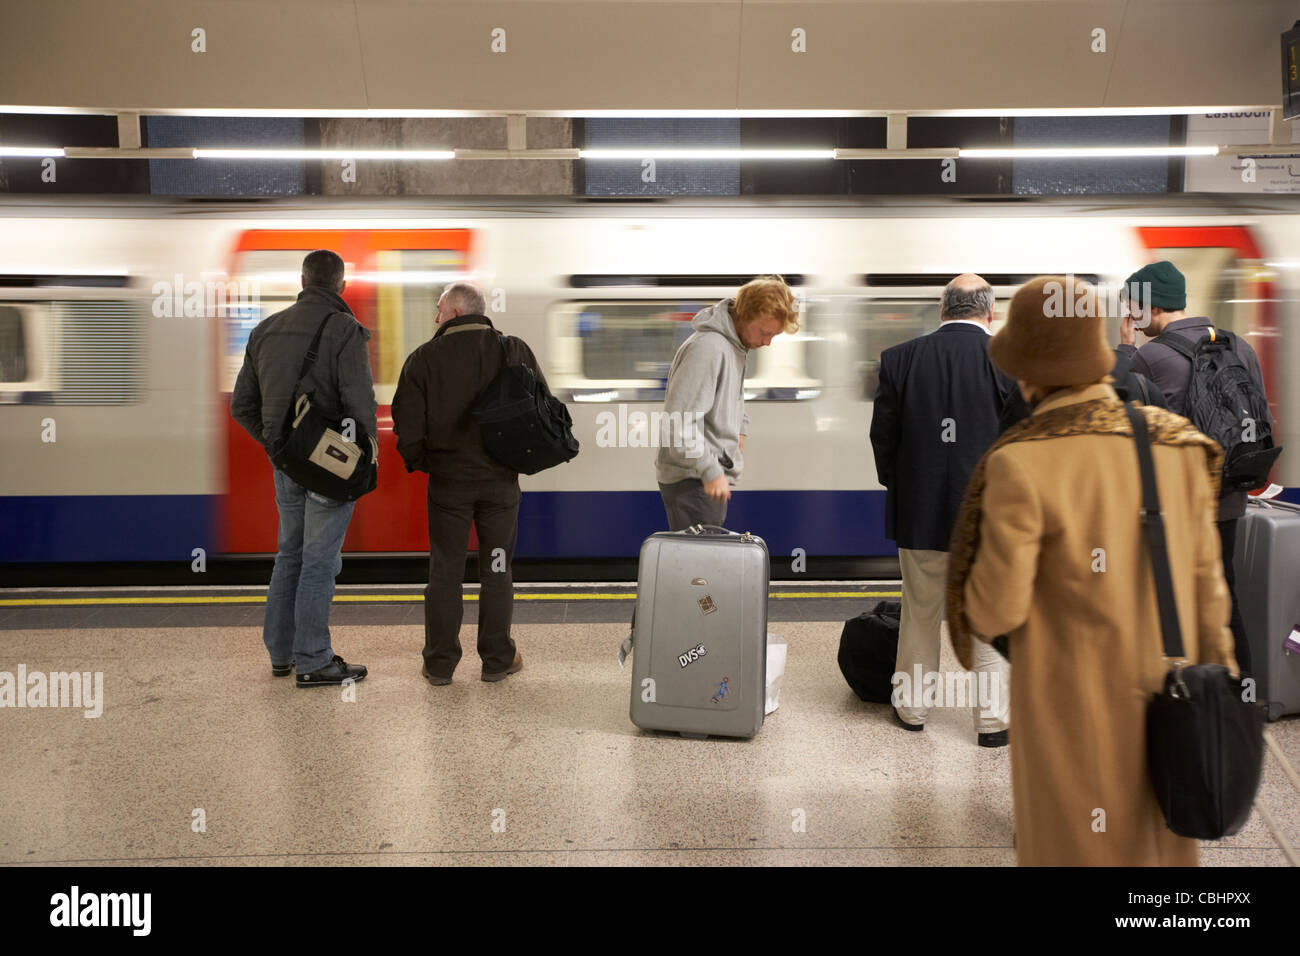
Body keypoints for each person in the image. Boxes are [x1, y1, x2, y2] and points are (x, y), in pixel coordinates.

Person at [947, 275, 1238, 866]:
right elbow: (1210, 591)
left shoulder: (1022, 464)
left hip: (1070, 713)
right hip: (1173, 705)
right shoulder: (1179, 448)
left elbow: (994, 609)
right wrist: (1223, 689)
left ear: (1027, 371)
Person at [869, 274, 1015, 745]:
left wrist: (908, 486)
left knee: (919, 612)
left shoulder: (899, 360)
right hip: (989, 520)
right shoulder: (1009, 364)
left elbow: (882, 440)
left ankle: (912, 711)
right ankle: (992, 723)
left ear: (942, 310)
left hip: (921, 513)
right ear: (989, 312)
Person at [1116, 260, 1270, 675]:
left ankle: (1184, 696)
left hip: (1177, 503)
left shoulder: (1149, 355)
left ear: (1148, 306)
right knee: (1223, 594)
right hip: (1231, 493)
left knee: (1170, 599)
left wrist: (1125, 350)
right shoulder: (1239, 345)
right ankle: (1239, 694)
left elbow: (1117, 414)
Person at [230, 249, 376, 687]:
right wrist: (366, 454)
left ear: (302, 280)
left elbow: (242, 406)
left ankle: (281, 652)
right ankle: (313, 659)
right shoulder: (346, 329)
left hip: (286, 465)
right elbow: (359, 402)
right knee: (319, 560)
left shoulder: (264, 329)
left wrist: (278, 446)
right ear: (342, 286)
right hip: (330, 466)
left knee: (290, 553)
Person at [391, 282, 545, 685]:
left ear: (456, 313)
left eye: (438, 310)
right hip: (499, 485)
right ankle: (497, 659)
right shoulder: (513, 350)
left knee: (445, 571)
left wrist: (427, 462)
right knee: (497, 569)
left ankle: (440, 664)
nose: (435, 317)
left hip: (448, 487)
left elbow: (406, 427)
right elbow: (542, 407)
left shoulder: (423, 359)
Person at [654, 276, 797, 531]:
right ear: (745, 315)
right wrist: (710, 471)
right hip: (693, 479)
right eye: (765, 333)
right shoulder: (710, 349)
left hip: (702, 475)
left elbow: (729, 396)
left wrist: (740, 427)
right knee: (700, 567)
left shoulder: (734, 347)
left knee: (704, 563)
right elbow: (678, 423)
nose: (767, 342)